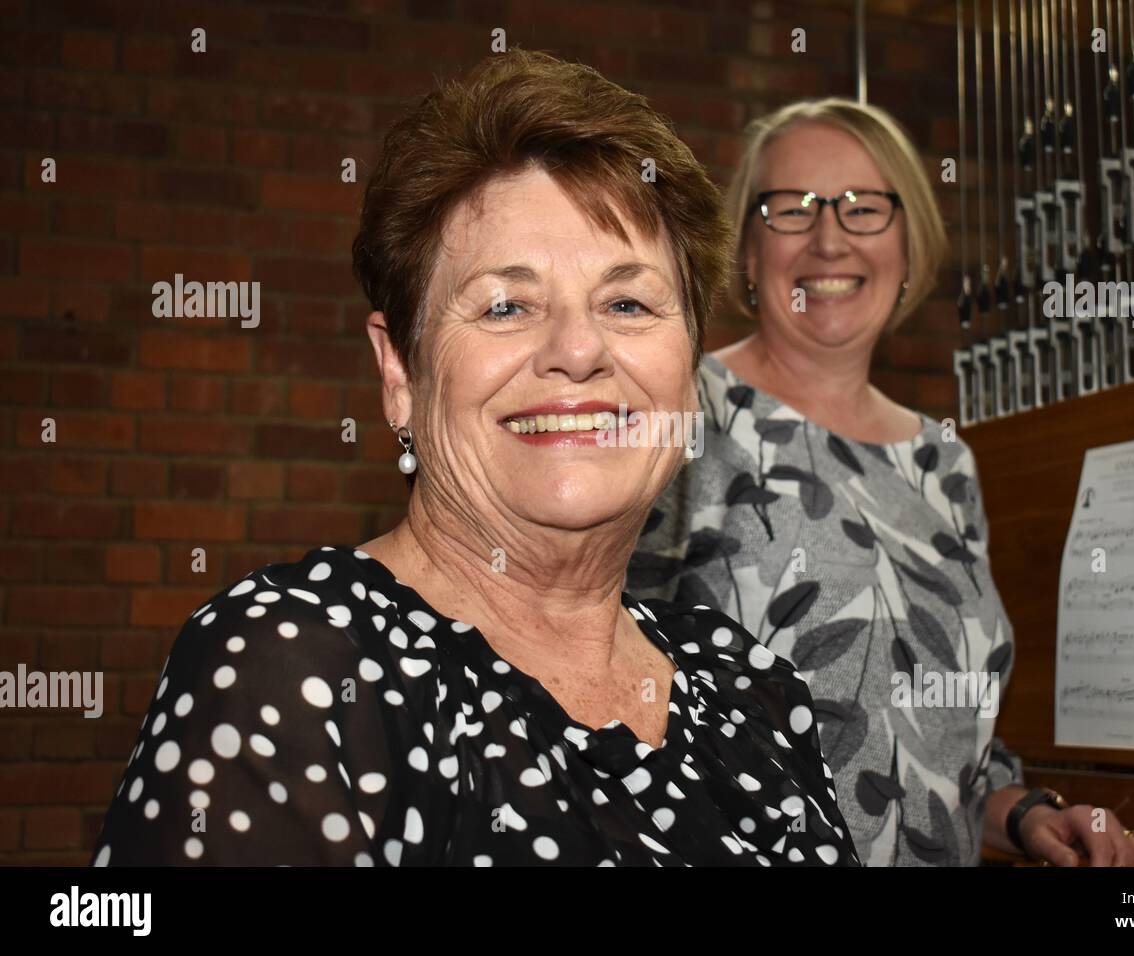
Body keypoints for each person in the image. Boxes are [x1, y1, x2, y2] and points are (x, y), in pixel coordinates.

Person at [90, 51, 858, 867]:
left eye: (627, 302)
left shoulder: (753, 690)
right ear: (400, 375)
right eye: (506, 305)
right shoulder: (293, 665)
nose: (576, 350)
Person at [629, 97, 1134, 866]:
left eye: (863, 208)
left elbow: (935, 760)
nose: (828, 237)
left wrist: (1026, 815)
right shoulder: (688, 413)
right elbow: (595, 684)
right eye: (791, 208)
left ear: (909, 245)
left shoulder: (944, 462)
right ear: (746, 252)